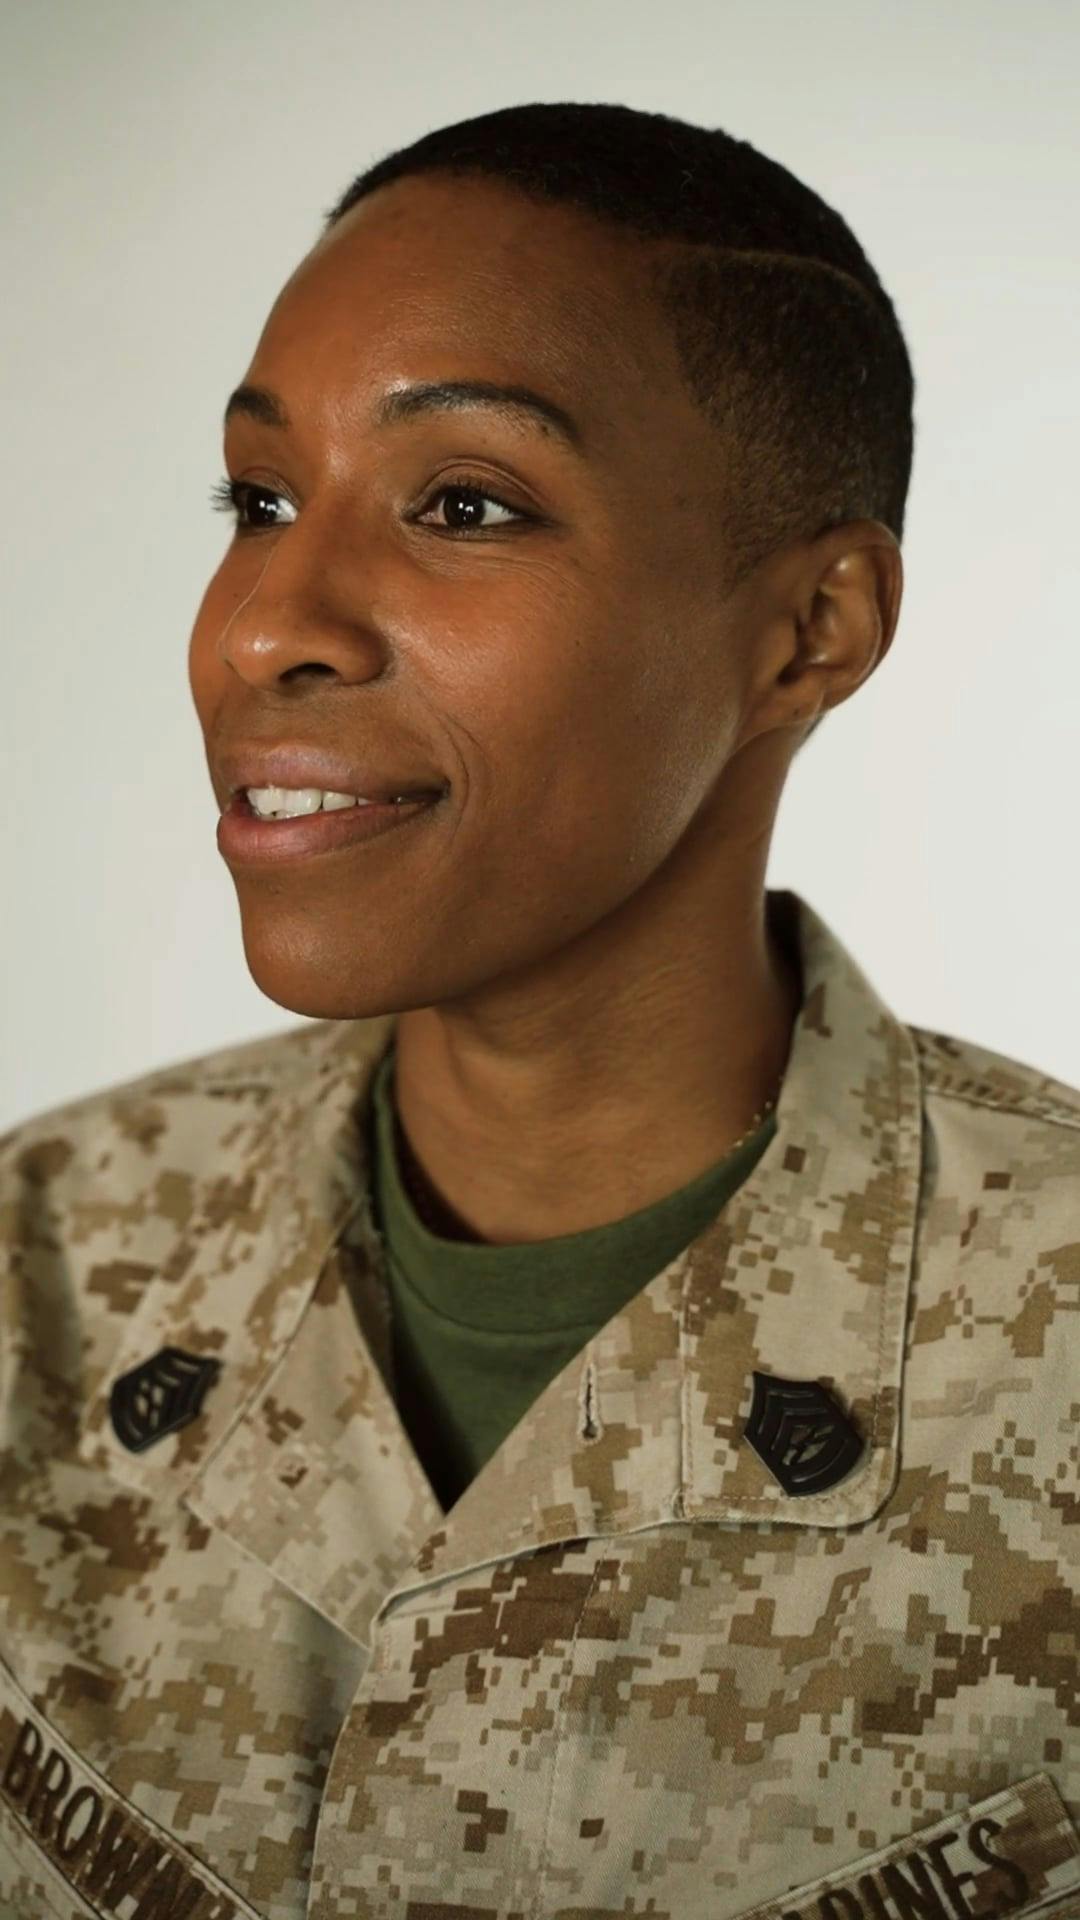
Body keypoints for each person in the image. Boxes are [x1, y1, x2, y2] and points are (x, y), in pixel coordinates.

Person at [2, 100, 1077, 1920]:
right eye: (260, 499)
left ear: (809, 631)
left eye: (465, 506)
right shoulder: (44, 1261)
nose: (268, 620)